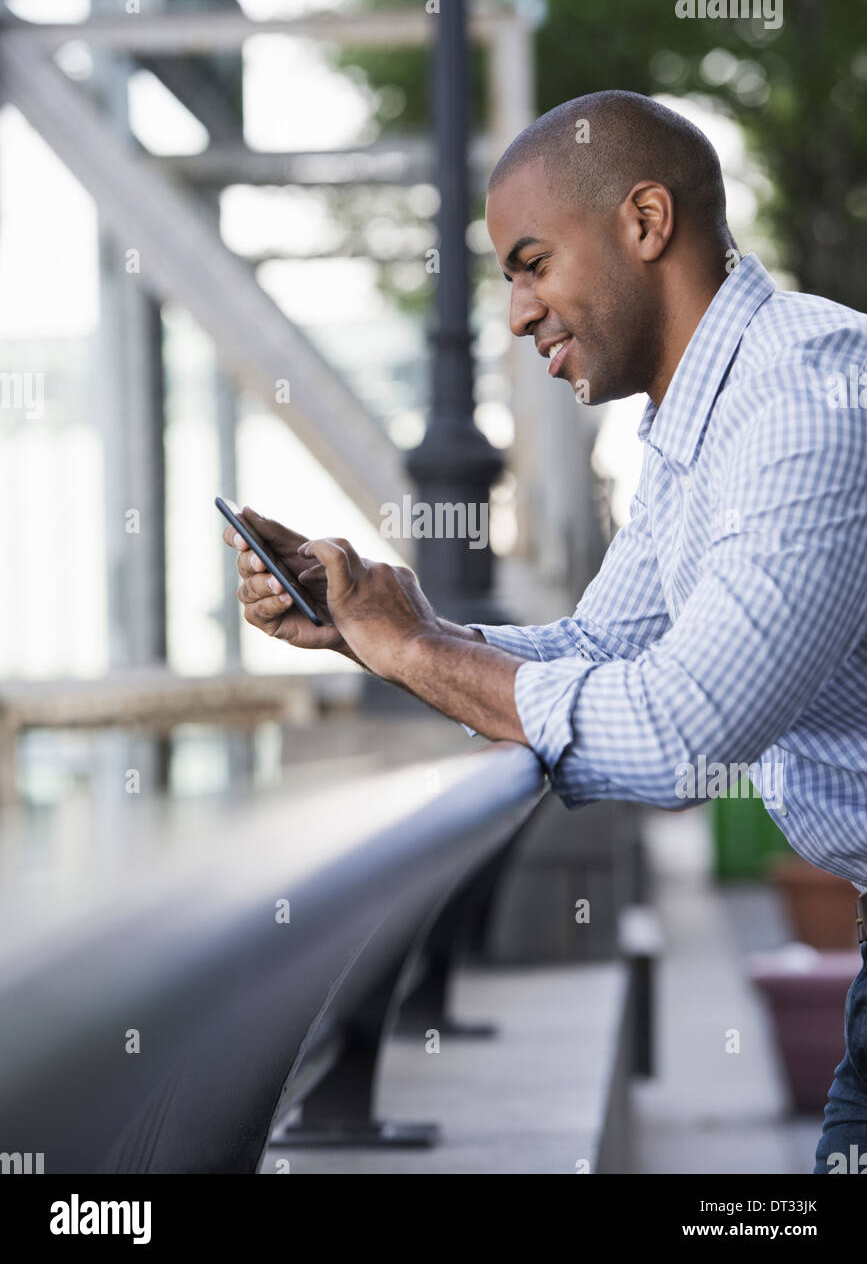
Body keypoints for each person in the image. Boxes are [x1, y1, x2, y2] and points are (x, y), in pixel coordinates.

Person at [223, 90, 867, 1172]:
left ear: (645, 223)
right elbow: (606, 654)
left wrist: (421, 656)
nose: (517, 314)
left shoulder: (801, 401)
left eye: (531, 263)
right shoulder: (697, 421)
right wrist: (384, 622)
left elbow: (678, 730)